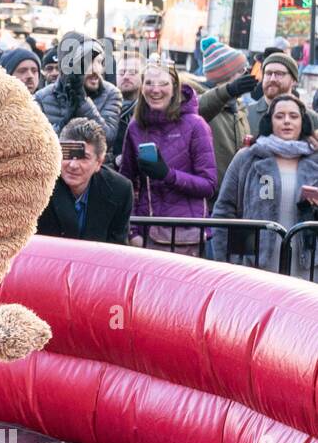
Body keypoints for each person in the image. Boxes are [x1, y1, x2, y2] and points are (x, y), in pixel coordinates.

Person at [211, 93, 318, 275]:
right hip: (255, 268)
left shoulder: (315, 160)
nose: (286, 121)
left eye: (293, 116)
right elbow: (223, 211)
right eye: (279, 116)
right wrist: (229, 263)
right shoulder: (247, 158)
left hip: (308, 268)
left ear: (303, 122)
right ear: (269, 122)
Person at [119, 60, 217, 253]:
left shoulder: (196, 125)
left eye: (163, 83)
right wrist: (133, 232)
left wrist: (167, 175)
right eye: (149, 83)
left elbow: (209, 185)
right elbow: (126, 183)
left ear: (175, 88)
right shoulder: (135, 126)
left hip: (186, 236)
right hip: (145, 234)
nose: (155, 90)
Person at [36, 118, 133, 245]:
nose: (73, 165)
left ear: (99, 162)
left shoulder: (119, 190)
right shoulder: (40, 183)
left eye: (84, 158)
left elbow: (118, 248)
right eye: (68, 154)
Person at [34, 32, 121, 148]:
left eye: (99, 62)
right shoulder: (41, 98)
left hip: (99, 165)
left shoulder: (111, 93)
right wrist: (65, 121)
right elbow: (39, 144)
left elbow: (107, 139)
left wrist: (82, 101)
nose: (95, 70)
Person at [193, 35, 256, 187]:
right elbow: (200, 107)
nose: (246, 75)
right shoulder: (198, 101)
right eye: (242, 70)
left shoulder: (239, 106)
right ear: (226, 74)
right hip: (210, 194)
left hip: (233, 191)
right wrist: (228, 90)